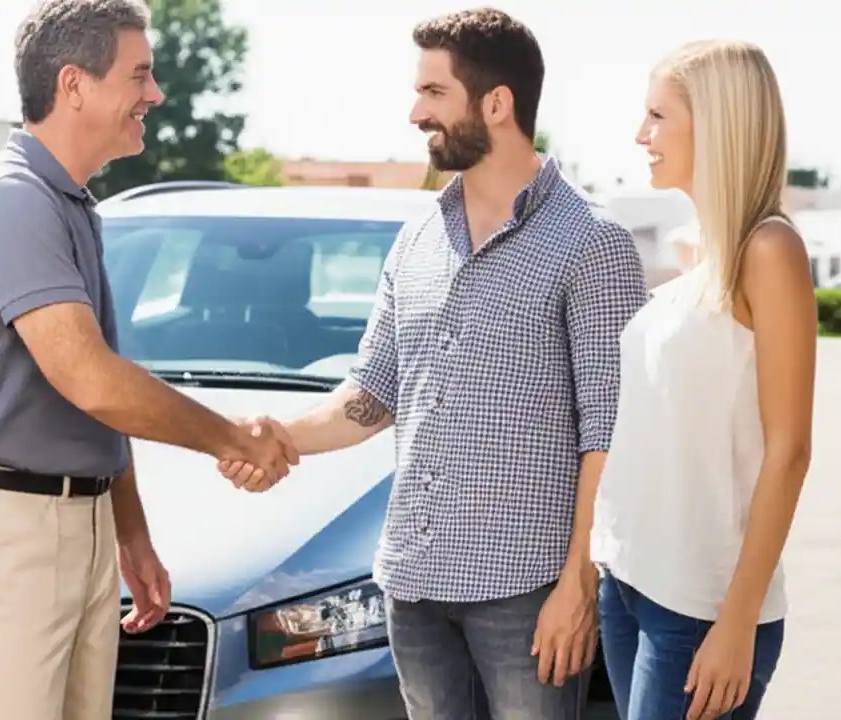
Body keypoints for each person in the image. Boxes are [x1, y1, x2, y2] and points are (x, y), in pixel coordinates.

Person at [220, 7, 648, 719]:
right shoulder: (416, 239)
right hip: (412, 589)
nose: (415, 112)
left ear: (497, 104)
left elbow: (609, 432)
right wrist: (278, 435)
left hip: (526, 591)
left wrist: (580, 583)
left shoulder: (591, 243)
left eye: (433, 93)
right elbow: (372, 394)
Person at [0, 1, 296, 718]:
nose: (154, 95)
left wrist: (130, 532)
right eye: (140, 75)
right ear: (74, 85)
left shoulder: (71, 206)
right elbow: (91, 380)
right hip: (5, 534)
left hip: (72, 525)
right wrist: (234, 439)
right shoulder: (12, 199)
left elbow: (90, 394)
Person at [589, 40, 816, 720]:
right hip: (628, 584)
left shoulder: (769, 250)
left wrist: (738, 622)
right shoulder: (698, 257)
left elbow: (790, 451)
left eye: (658, 115)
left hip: (701, 609)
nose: (641, 135)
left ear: (715, 124)